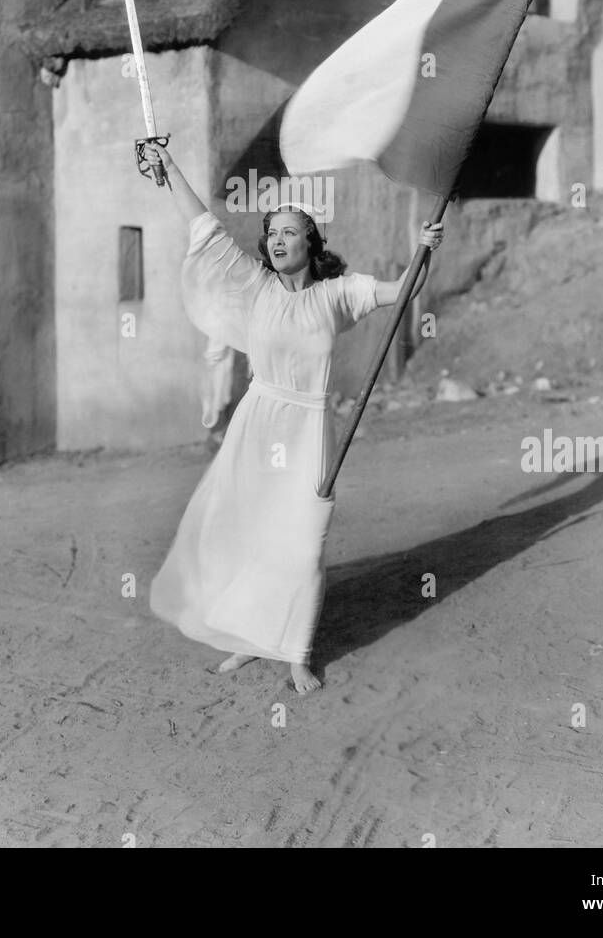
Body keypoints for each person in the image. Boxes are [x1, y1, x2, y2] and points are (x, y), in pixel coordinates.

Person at [142, 143, 444, 693]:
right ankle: (246, 638)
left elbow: (402, 292)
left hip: (308, 428)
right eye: (271, 233)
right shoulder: (255, 288)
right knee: (250, 531)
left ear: (311, 242)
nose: (277, 240)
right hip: (258, 421)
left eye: (289, 232)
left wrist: (426, 250)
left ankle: (298, 654)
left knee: (305, 538)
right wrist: (171, 171)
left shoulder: (337, 295)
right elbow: (204, 225)